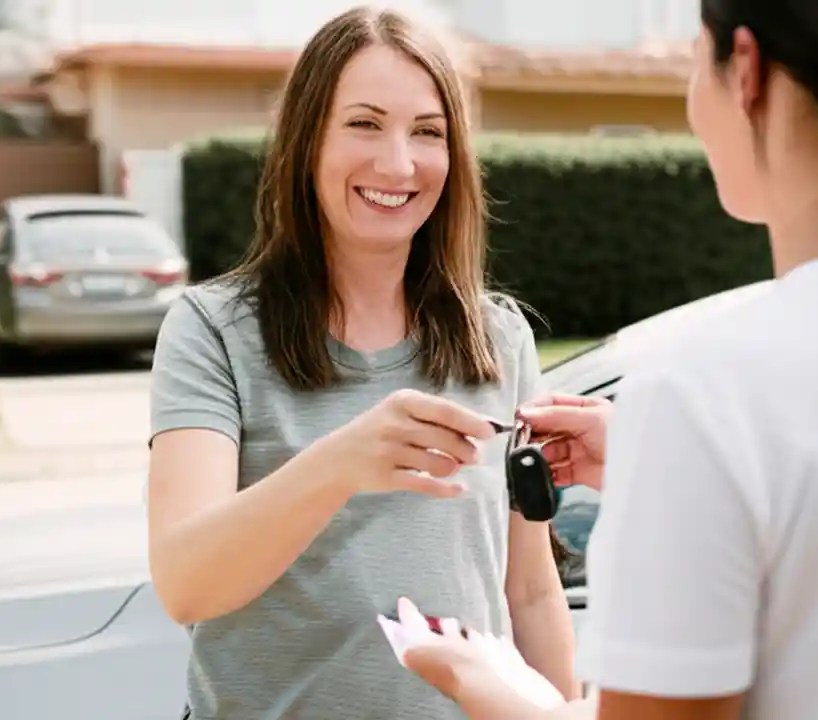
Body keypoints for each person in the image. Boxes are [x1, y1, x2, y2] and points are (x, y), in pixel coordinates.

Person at [393, 1, 818, 719]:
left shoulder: (701, 388)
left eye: (692, 61)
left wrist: (485, 682)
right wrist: (660, 473)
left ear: (746, 70)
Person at [145, 7, 576, 719]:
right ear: (307, 138)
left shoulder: (499, 340)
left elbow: (527, 590)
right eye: (365, 124)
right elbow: (186, 583)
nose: (399, 164)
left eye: (428, 132)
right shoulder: (211, 331)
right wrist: (342, 462)